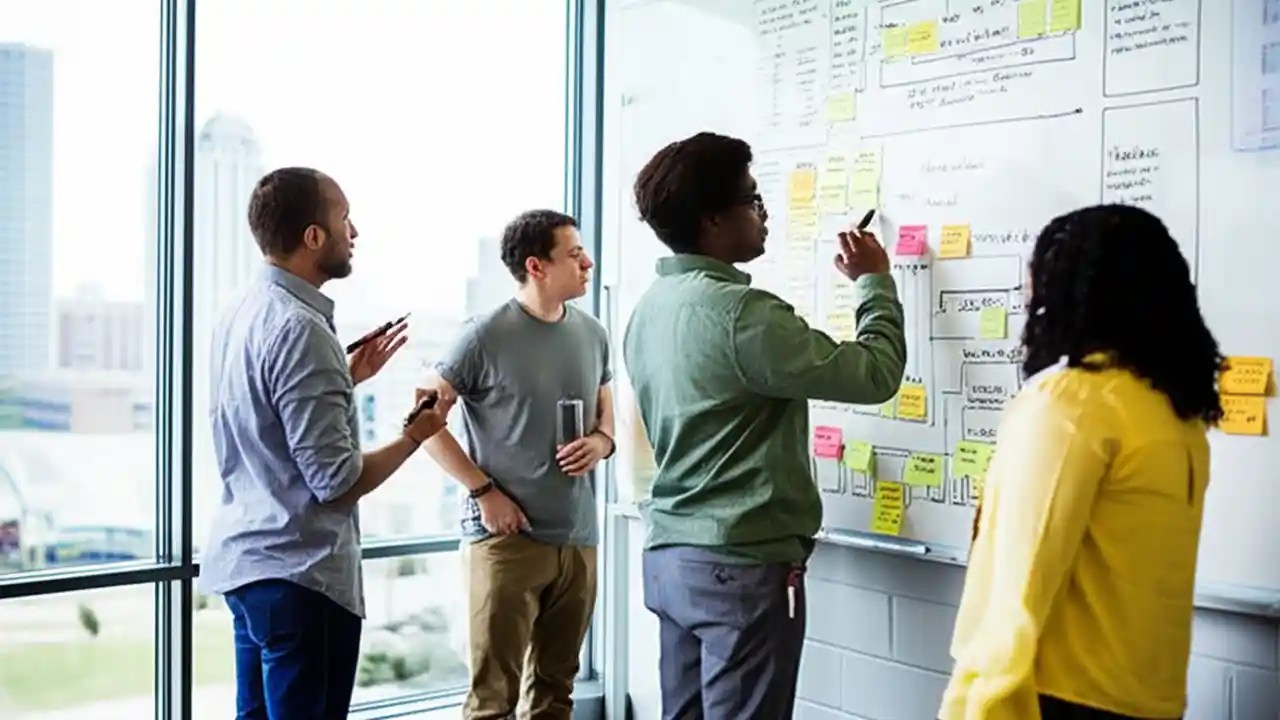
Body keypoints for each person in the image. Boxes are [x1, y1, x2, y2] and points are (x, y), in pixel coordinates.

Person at [622, 131, 908, 719]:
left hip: (671, 554)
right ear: (712, 221)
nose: (763, 214)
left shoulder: (650, 307)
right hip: (740, 568)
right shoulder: (742, 315)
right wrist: (874, 282)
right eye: (752, 201)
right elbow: (875, 374)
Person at [938, 205, 1223, 720]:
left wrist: (974, 707)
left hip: (1055, 696)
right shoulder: (1173, 409)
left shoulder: (1071, 402)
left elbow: (1021, 588)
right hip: (1147, 697)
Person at [198, 167, 451, 720]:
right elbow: (335, 483)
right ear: (314, 237)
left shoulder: (239, 312)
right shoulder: (302, 329)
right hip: (300, 578)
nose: (354, 232)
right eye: (343, 219)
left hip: (250, 569)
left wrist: (344, 376)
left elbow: (266, 418)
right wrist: (416, 435)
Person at [420, 209, 614, 720]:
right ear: (537, 266)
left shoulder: (592, 333)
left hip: (577, 539)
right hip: (508, 541)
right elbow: (422, 426)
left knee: (557, 691)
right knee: (492, 700)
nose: (588, 263)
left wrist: (602, 442)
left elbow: (605, 410)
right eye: (574, 255)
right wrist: (484, 492)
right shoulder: (483, 335)